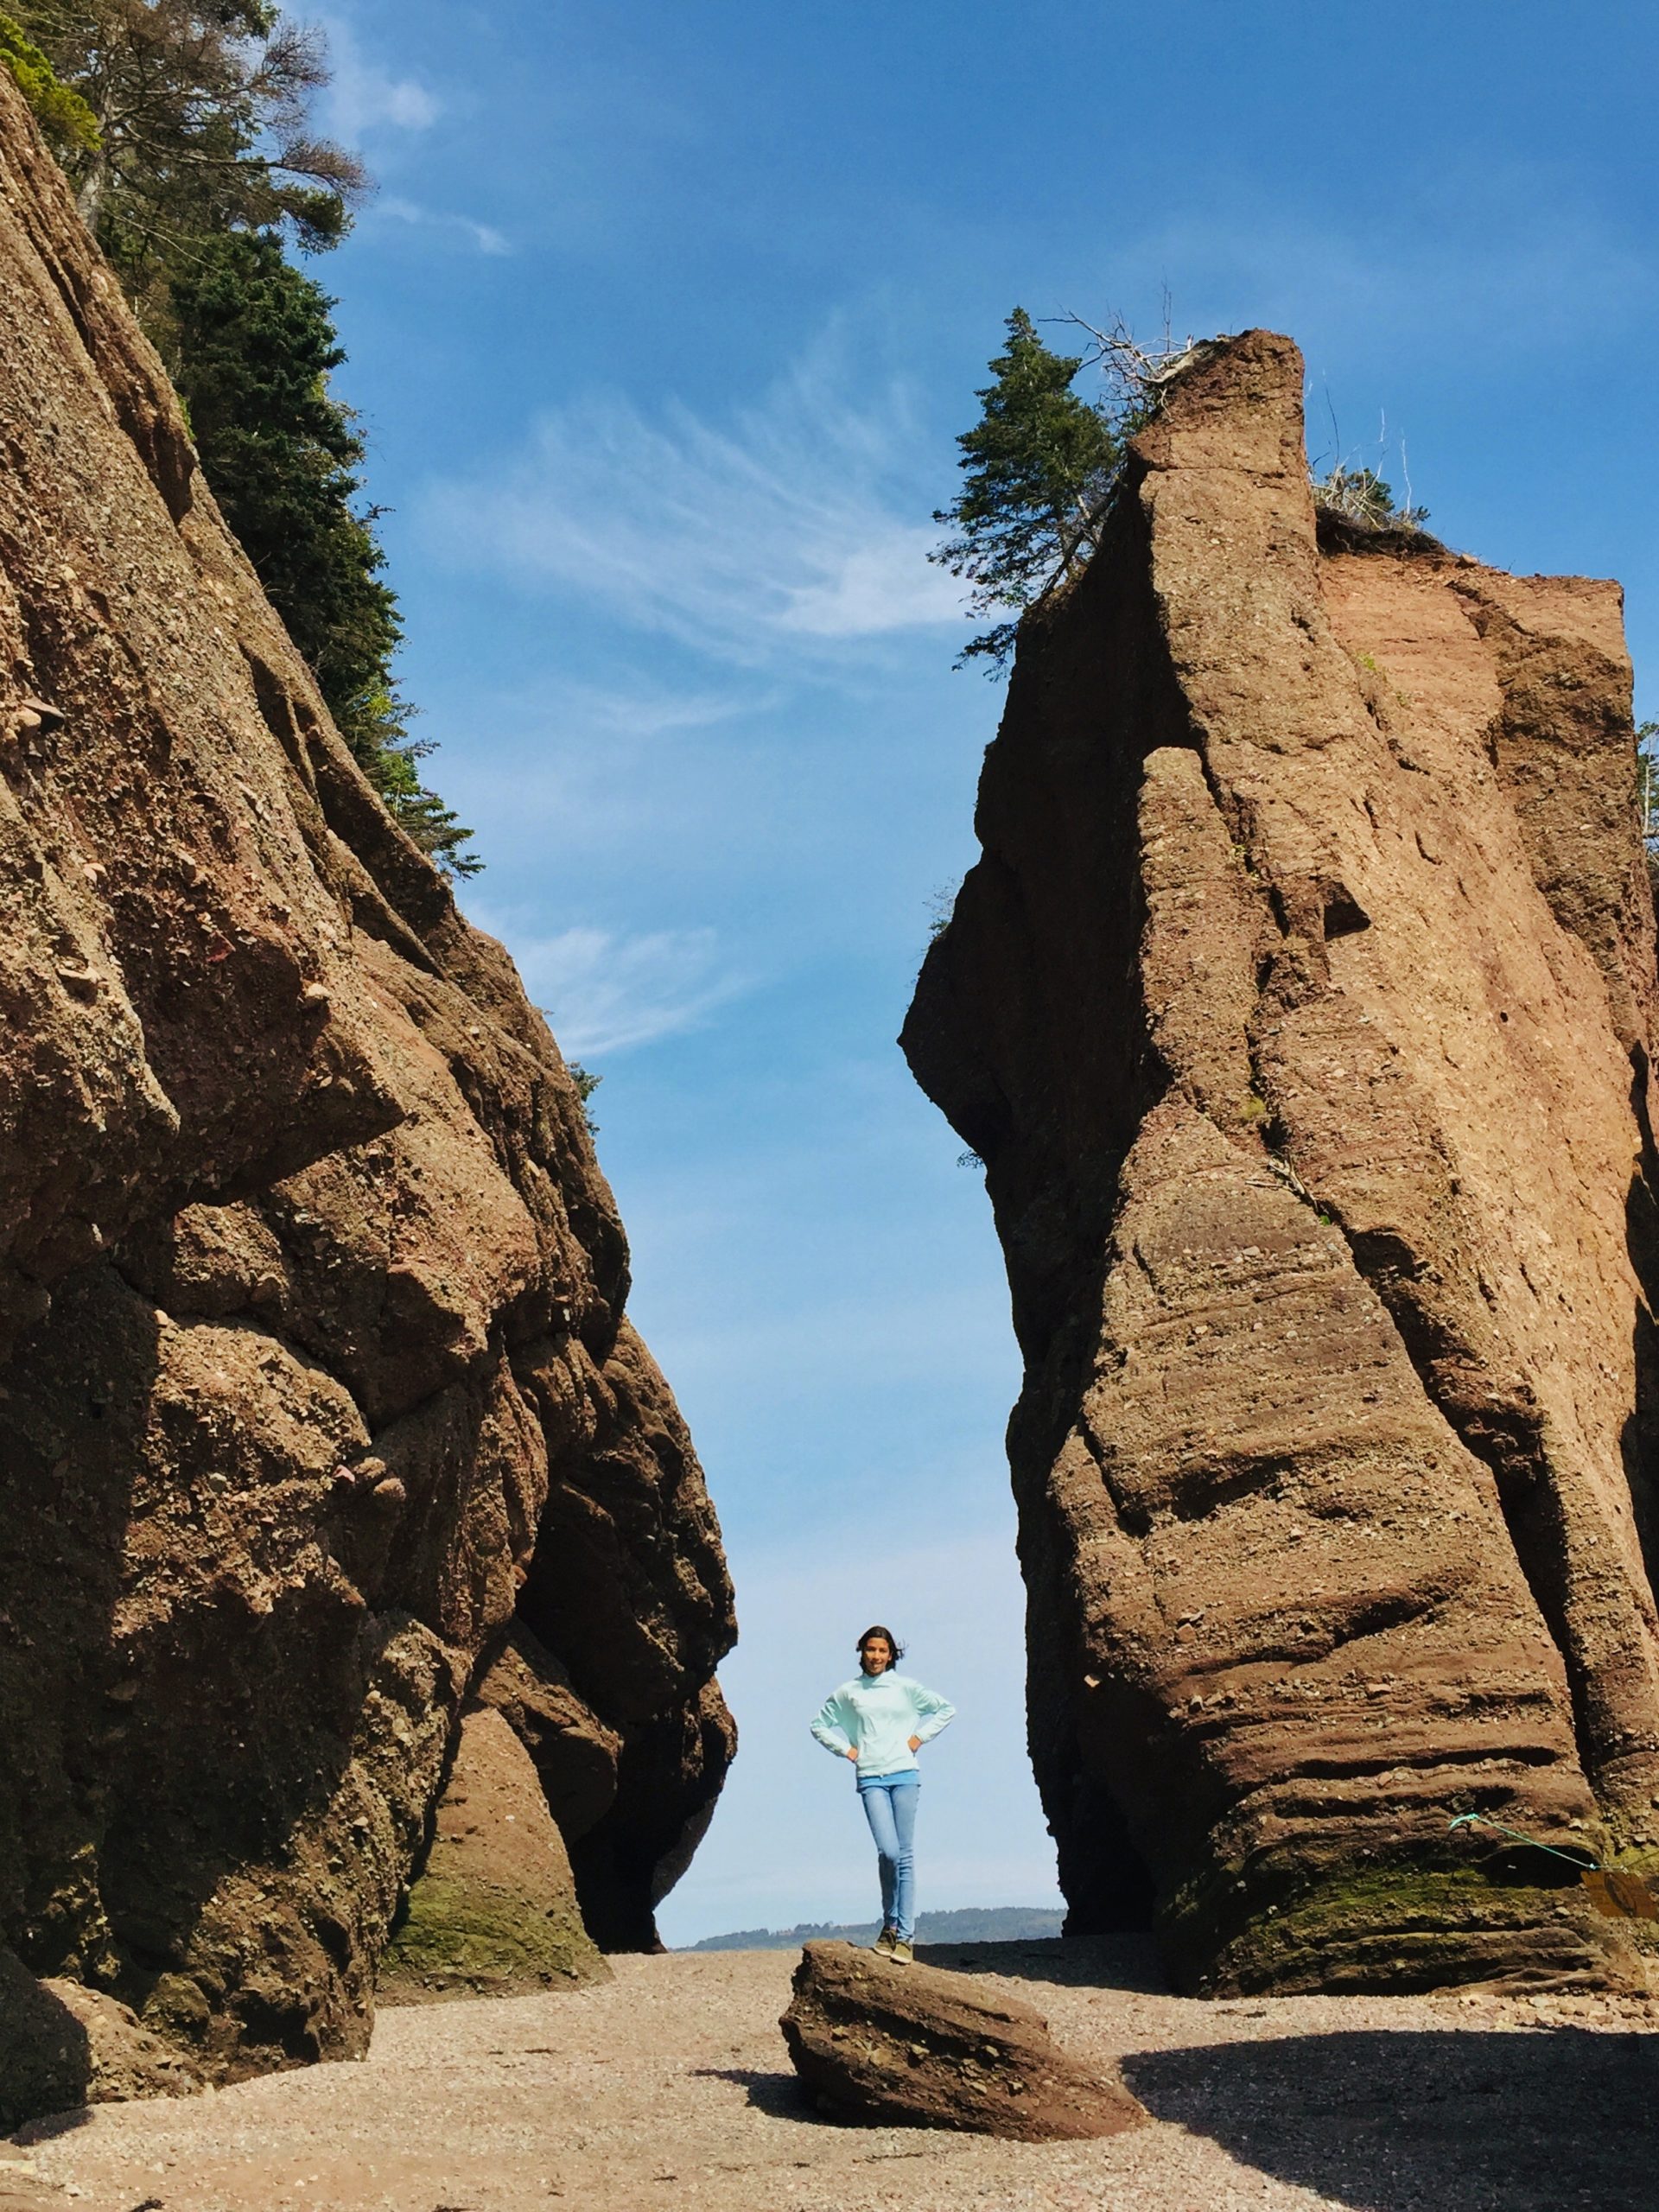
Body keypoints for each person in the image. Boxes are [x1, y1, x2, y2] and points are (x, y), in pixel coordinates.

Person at [810, 1624, 955, 1964]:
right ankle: (889, 1921)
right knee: (887, 1851)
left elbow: (945, 1709)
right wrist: (847, 1750)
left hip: (905, 1774)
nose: (876, 1656)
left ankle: (904, 1936)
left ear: (891, 1655)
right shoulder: (849, 1692)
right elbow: (819, 1725)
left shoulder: (906, 1688)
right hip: (871, 1775)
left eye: (882, 1651)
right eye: (870, 1649)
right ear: (861, 1651)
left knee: (904, 1855)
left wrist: (918, 1739)